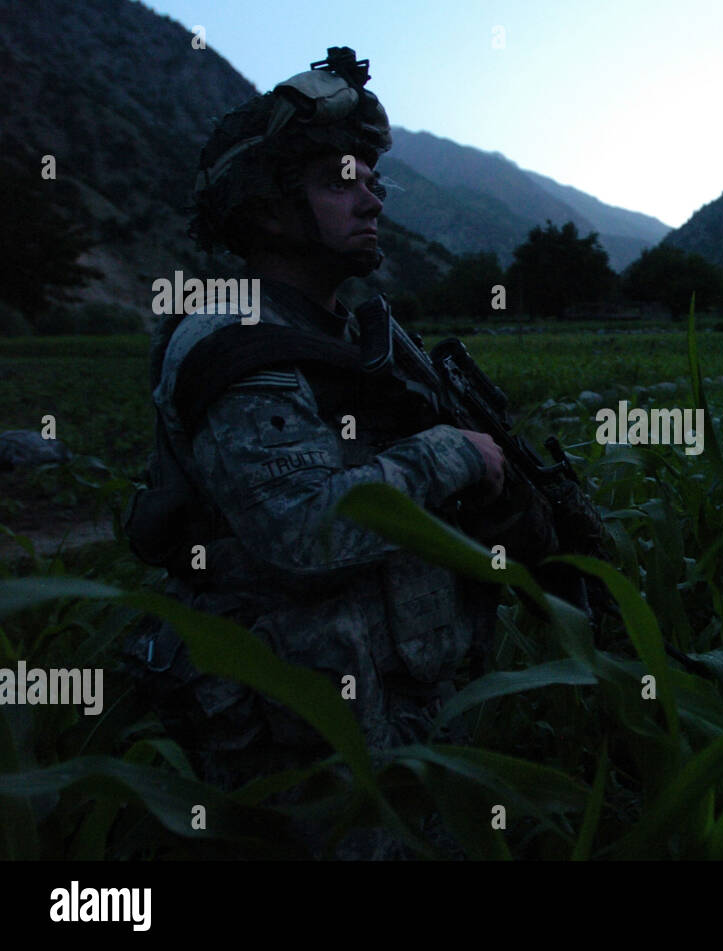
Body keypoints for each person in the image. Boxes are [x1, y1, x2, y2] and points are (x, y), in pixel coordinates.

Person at [124, 48, 517, 858]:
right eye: (340, 180)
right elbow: (303, 532)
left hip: (398, 712)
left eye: (374, 178)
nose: (370, 195)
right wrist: (450, 455)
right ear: (267, 208)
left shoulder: (360, 335)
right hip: (302, 748)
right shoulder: (234, 340)